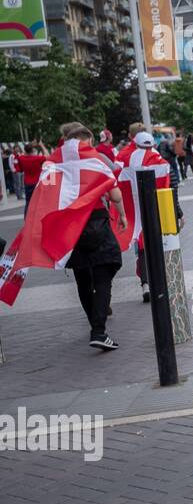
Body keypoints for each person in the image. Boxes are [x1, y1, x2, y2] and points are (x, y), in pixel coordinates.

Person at [58, 124, 128, 350]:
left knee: (82, 278)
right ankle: (98, 330)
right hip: (96, 220)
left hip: (70, 226)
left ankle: (95, 326)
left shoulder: (55, 163)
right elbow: (115, 193)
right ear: (86, 140)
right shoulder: (95, 160)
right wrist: (123, 214)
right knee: (104, 272)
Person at [117, 131, 172, 303]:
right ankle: (159, 282)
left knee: (141, 249)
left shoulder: (126, 160)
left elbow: (116, 182)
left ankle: (145, 283)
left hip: (134, 214)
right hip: (157, 211)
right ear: (153, 144)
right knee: (157, 246)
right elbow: (170, 187)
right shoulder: (161, 162)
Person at [16, 141, 49, 217]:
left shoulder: (21, 158)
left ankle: (26, 218)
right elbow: (47, 156)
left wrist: (30, 146)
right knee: (39, 201)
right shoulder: (37, 158)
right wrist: (42, 145)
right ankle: (39, 217)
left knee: (28, 202)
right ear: (33, 150)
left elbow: (21, 154)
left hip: (27, 182)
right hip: (37, 182)